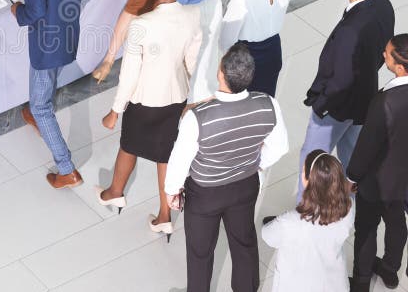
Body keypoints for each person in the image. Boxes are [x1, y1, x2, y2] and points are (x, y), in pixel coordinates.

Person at [165, 43, 289, 292]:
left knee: (200, 254)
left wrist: (172, 191)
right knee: (244, 245)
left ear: (220, 74)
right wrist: (255, 164)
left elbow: (180, 160)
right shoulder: (268, 104)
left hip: (204, 194)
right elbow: (280, 147)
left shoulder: (198, 116)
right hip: (245, 188)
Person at [97, 0, 201, 239]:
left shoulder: (142, 24)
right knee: (165, 154)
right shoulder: (193, 15)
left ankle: (114, 193)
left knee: (129, 146)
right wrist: (185, 88)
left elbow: (130, 73)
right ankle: (165, 216)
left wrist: (115, 110)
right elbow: (191, 59)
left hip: (144, 100)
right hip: (176, 97)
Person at [298, 0, 395, 201]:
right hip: (365, 100)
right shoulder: (383, 7)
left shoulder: (350, 32)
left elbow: (339, 80)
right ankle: (353, 205)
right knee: (352, 158)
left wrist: (321, 106)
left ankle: (302, 213)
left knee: (312, 159)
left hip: (337, 108)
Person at [12, 0, 90, 189]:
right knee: (46, 84)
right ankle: (35, 112)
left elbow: (34, 12)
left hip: (46, 41)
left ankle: (67, 168)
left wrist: (16, 10)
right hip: (68, 32)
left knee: (42, 104)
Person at [347, 34, 408, 291]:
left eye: (387, 52)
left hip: (377, 180)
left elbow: (367, 147)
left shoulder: (385, 101)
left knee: (366, 227)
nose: (383, 55)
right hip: (404, 179)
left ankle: (361, 281)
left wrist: (351, 177)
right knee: (396, 223)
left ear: (400, 65)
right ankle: (390, 269)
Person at [262, 150, 354, 292]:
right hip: (333, 284)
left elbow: (267, 236)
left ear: (308, 181)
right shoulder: (348, 208)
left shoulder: (290, 222)